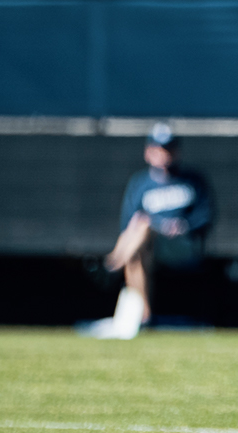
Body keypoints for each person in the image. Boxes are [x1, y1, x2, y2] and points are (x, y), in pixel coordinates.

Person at [86, 124, 215, 340]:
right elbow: (129, 224)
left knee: (141, 229)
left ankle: (110, 265)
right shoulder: (140, 183)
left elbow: (207, 216)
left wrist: (184, 225)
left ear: (176, 151)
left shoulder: (193, 181)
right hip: (146, 244)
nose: (163, 155)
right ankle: (143, 317)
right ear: (148, 152)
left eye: (168, 149)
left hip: (182, 245)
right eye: (158, 149)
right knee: (139, 238)